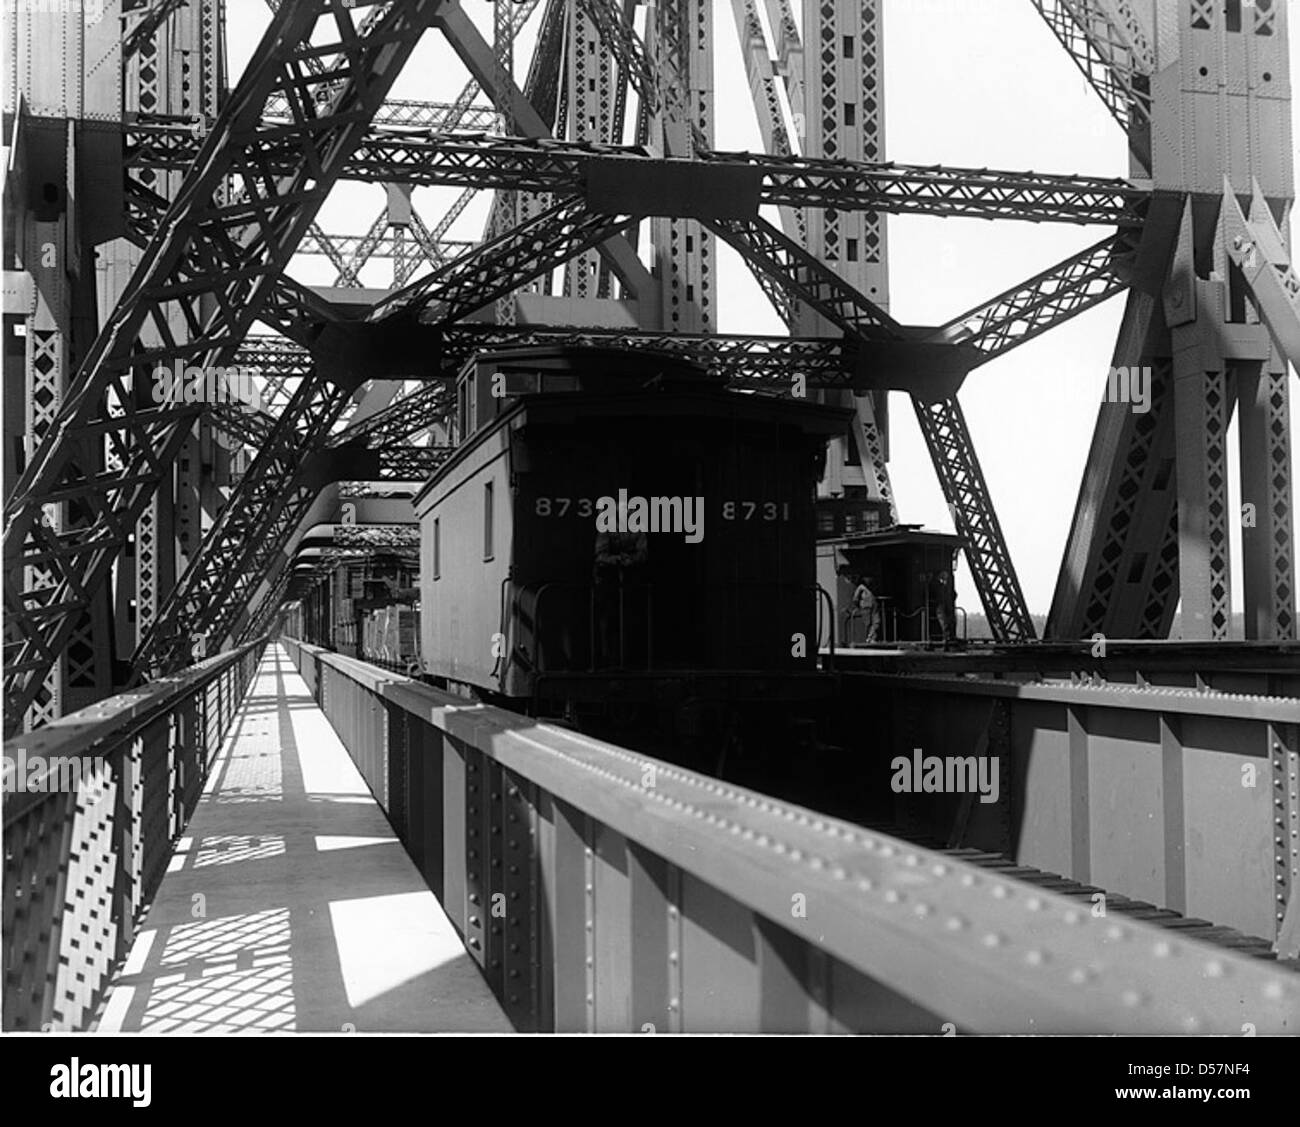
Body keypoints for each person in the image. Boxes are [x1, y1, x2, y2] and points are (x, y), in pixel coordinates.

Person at [593, 530, 648, 667]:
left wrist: (631, 560)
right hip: (608, 584)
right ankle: (608, 661)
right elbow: (600, 555)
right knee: (609, 622)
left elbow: (643, 552)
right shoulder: (606, 529)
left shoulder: (638, 530)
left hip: (630, 584)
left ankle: (630, 661)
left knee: (631, 621)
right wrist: (618, 560)